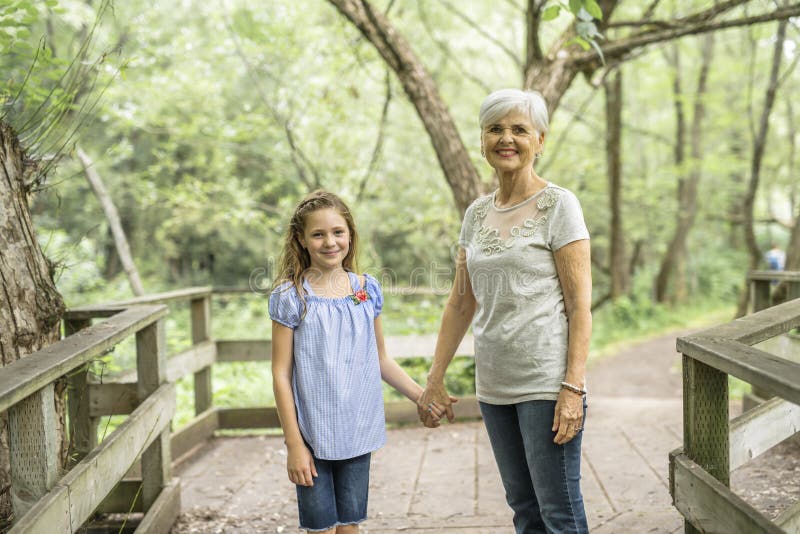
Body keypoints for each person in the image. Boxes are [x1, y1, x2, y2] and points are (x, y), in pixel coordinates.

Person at [419, 89, 592, 533]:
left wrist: (572, 387)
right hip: (494, 384)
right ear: (482, 141)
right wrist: (435, 378)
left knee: (559, 511)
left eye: (519, 129)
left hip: (546, 383)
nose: (507, 138)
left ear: (540, 140)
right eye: (495, 129)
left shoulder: (559, 206)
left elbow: (579, 306)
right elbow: (461, 301)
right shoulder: (476, 214)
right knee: (524, 510)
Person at [270, 191, 427, 534]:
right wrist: (294, 443)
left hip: (357, 430)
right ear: (301, 239)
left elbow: (381, 359)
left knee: (349, 527)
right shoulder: (292, 296)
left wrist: (422, 397)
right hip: (312, 433)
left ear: (350, 234)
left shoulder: (365, 290)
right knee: (321, 528)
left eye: (338, 232)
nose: (330, 242)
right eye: (318, 234)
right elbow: (281, 374)